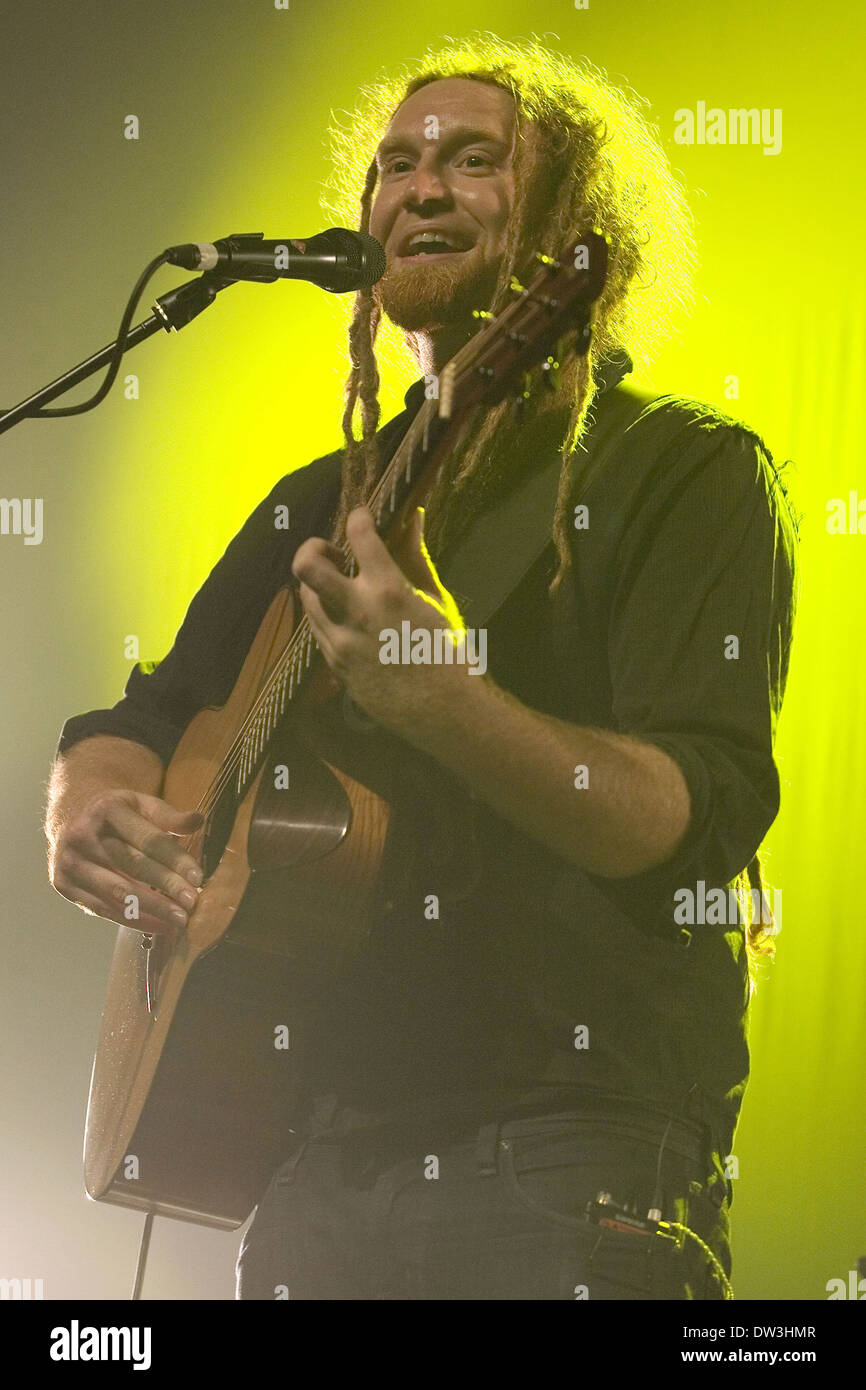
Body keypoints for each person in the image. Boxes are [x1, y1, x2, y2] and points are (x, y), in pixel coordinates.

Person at [44, 37, 799, 1300]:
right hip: (312, 1153)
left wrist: (436, 694)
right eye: (395, 164)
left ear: (577, 229)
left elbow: (688, 819)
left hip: (565, 1146)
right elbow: (139, 717)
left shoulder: (683, 467)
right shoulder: (317, 502)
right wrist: (87, 811)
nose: (421, 186)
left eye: (472, 159)